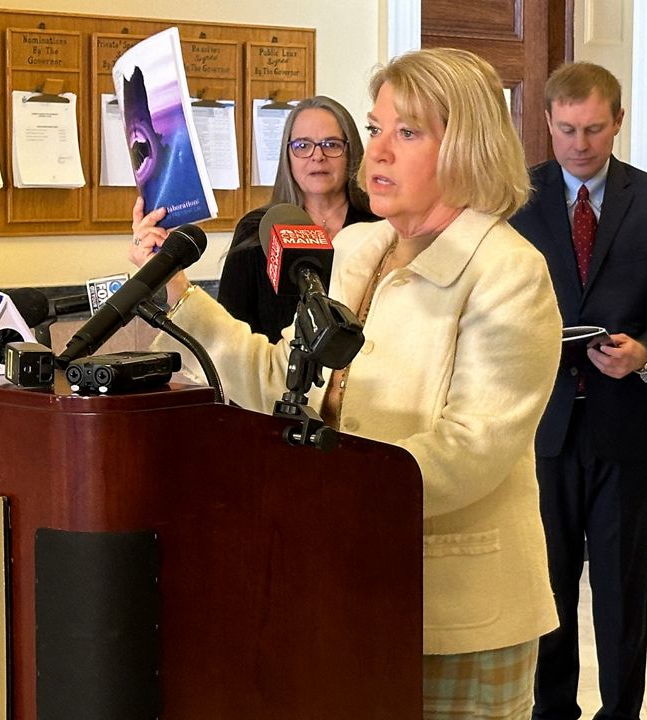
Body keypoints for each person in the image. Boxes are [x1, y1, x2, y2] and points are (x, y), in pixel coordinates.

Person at [131, 48, 561, 719]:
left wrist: (327, 495)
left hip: (454, 607)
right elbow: (287, 379)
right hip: (344, 586)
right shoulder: (361, 248)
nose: (376, 153)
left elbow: (473, 447)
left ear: (467, 147)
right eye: (376, 127)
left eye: (407, 132)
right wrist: (180, 294)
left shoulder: (508, 271)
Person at [509, 61, 647, 720]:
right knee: (547, 589)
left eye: (593, 129)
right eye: (566, 130)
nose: (580, 144)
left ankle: (622, 713)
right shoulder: (516, 199)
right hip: (543, 427)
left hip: (627, 425)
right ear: (548, 122)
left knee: (623, 590)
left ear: (618, 120)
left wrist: (646, 351)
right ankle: (552, 711)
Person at [216, 95, 378, 342]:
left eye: (331, 144)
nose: (317, 156)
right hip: (274, 376)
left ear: (351, 151)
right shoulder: (256, 228)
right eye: (303, 146)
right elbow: (230, 333)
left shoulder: (379, 225)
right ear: (287, 155)